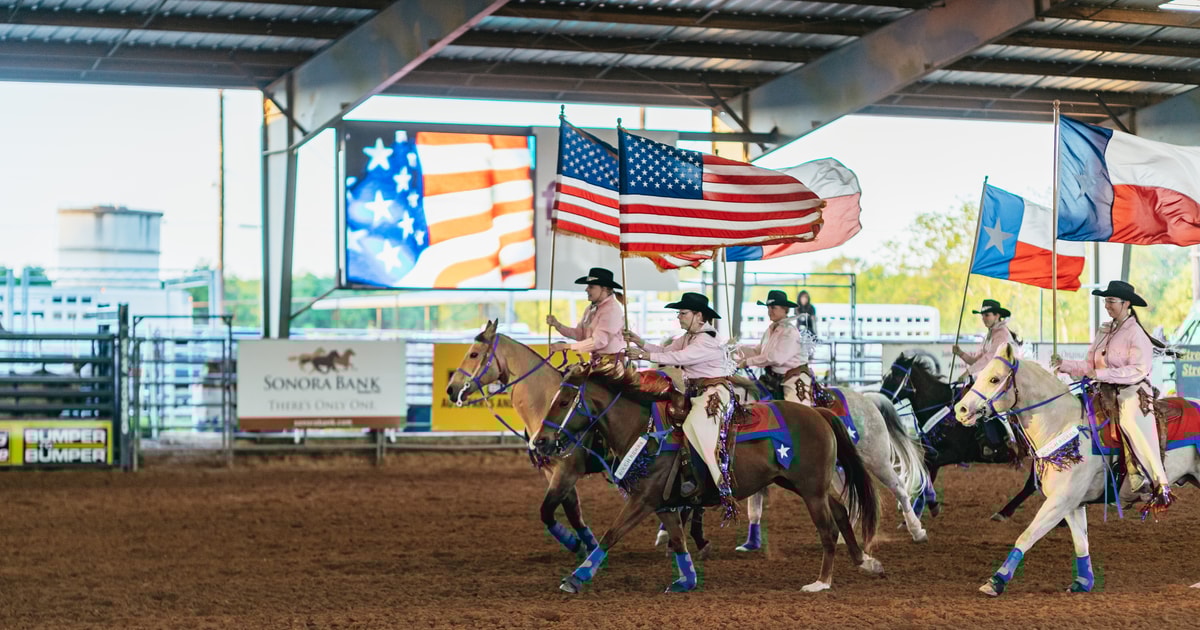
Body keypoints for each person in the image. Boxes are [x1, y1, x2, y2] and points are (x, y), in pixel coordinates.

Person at [1051, 280, 1173, 513]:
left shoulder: (1136, 333)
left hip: (1132, 389)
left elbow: (1138, 369)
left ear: (1126, 304)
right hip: (1103, 388)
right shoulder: (1105, 329)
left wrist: (1099, 373)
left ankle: (1149, 477)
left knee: (1129, 420)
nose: (1107, 305)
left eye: (1111, 301)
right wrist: (1064, 364)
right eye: (1105, 300)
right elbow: (1089, 364)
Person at [624, 292, 737, 517]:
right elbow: (667, 351)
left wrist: (643, 355)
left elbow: (680, 358)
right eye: (679, 313)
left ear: (698, 315)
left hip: (714, 392)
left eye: (683, 313)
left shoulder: (706, 339)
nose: (679, 317)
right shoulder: (688, 336)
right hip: (695, 391)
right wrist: (639, 341)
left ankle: (707, 481)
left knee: (694, 423)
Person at [738, 290, 809, 403]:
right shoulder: (770, 329)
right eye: (768, 308)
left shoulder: (790, 332)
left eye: (773, 308)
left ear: (785, 309)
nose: (769, 311)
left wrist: (747, 362)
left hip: (792, 378)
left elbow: (775, 358)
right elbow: (759, 352)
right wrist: (738, 351)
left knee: (794, 409)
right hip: (772, 378)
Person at [546, 267, 626, 359]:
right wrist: (557, 325)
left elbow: (599, 341)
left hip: (612, 365)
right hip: (598, 362)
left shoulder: (612, 310)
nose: (586, 289)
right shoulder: (590, 309)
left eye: (591, 287)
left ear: (604, 289)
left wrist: (566, 346)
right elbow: (579, 334)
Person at [952, 299, 1018, 380]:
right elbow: (976, 361)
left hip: (1008, 380)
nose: (983, 318)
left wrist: (967, 372)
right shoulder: (990, 334)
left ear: (997, 316)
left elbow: (990, 358)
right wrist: (960, 353)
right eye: (982, 315)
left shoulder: (1001, 334)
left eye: (986, 315)